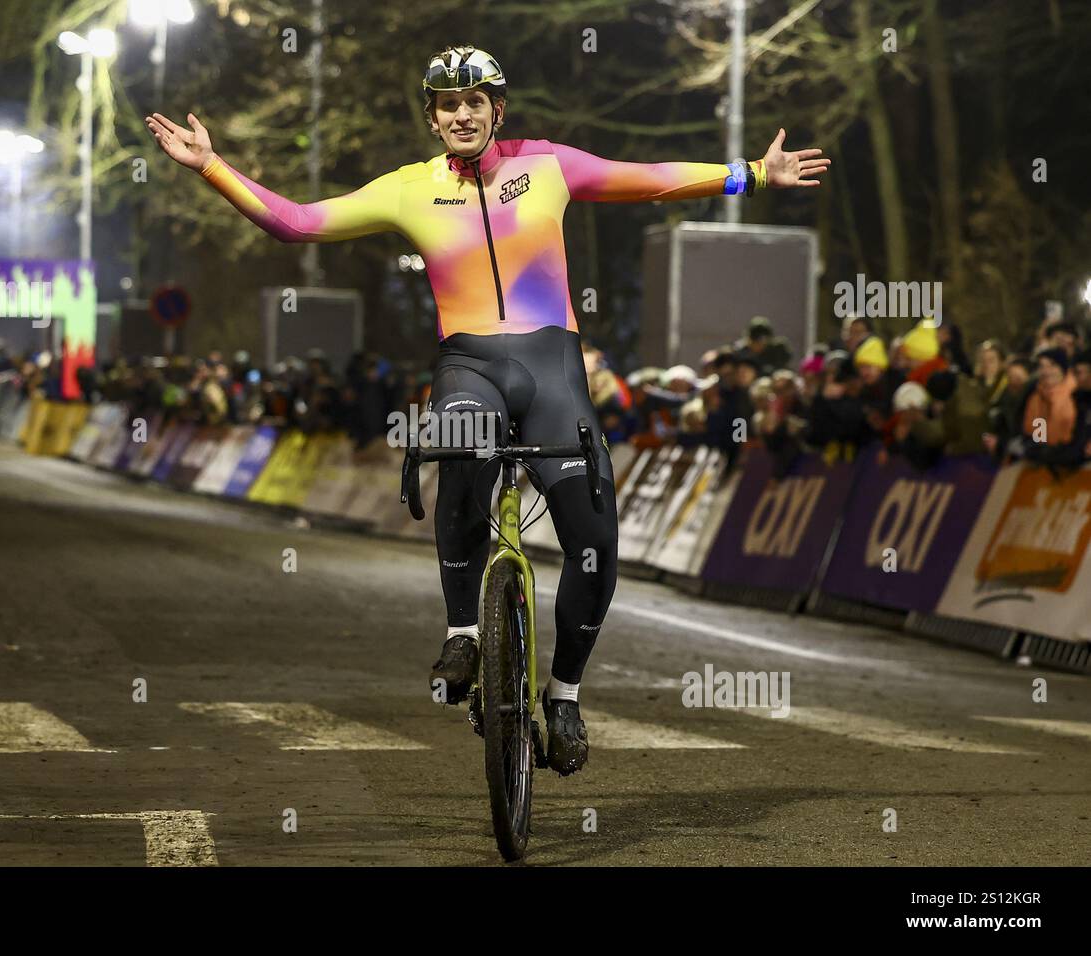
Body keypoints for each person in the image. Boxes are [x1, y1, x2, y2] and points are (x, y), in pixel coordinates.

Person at [147, 44, 828, 775]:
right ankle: (464, 632)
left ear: (496, 110)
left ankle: (564, 697)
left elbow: (653, 182)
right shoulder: (410, 188)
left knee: (594, 534)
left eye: (474, 102)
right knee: (462, 440)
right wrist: (211, 167)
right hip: (470, 363)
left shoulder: (549, 166)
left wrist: (752, 174)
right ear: (435, 119)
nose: (462, 113)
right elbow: (297, 222)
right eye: (447, 104)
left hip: (552, 368)